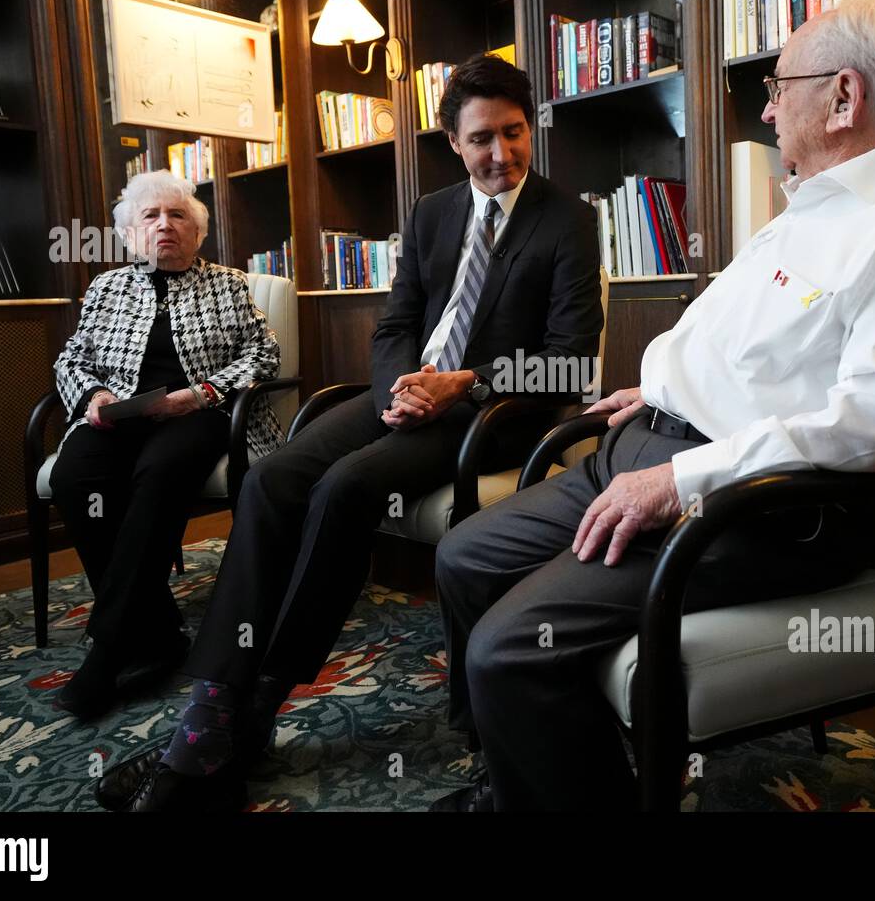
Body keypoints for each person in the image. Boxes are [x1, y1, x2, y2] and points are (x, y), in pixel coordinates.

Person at [431, 0, 875, 811]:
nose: (769, 110)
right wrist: (660, 387)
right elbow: (749, 352)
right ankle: (522, 772)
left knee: (507, 647)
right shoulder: (809, 204)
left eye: (778, 86)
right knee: (463, 558)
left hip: (760, 506)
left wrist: (682, 479)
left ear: (843, 96)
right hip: (653, 446)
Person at [98, 53, 604, 811]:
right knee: (270, 479)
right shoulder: (433, 210)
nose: (500, 154)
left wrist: (460, 383)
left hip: (488, 416)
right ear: (452, 142)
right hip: (405, 395)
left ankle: (248, 712)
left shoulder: (568, 219)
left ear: (530, 128)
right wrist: (399, 386)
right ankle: (216, 703)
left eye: (514, 132)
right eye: (480, 139)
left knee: (344, 489)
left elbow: (567, 365)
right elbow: (396, 321)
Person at [49, 170, 282, 719]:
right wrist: (93, 395)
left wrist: (201, 392)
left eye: (177, 215)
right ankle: (157, 629)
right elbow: (71, 359)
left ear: (198, 232)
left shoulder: (227, 283)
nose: (164, 226)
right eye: (150, 217)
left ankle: (108, 648)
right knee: (73, 478)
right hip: (119, 414)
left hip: (196, 414)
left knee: (158, 475)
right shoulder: (106, 289)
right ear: (129, 234)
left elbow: (264, 356)